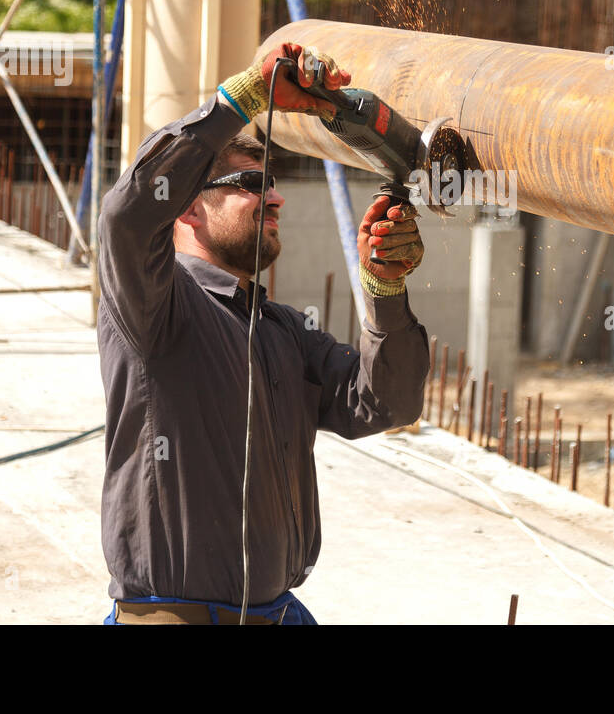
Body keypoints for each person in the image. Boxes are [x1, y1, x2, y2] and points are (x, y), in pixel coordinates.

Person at [96, 42, 429, 625]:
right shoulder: (156, 307)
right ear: (188, 209)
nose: (274, 196)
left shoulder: (281, 329)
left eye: (272, 182)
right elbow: (127, 214)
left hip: (278, 612)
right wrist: (244, 98)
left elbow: (386, 403)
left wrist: (384, 287)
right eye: (252, 183)